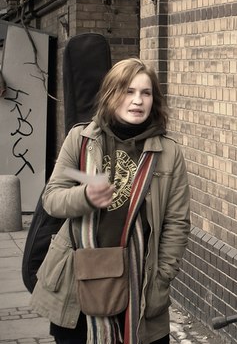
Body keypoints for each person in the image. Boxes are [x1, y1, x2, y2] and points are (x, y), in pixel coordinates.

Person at [31, 58, 191, 344]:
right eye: (128, 91)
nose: (138, 100)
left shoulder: (168, 153)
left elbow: (176, 222)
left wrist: (162, 276)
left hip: (139, 283)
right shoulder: (81, 139)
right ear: (110, 94)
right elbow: (52, 199)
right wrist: (85, 196)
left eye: (146, 93)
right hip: (78, 281)